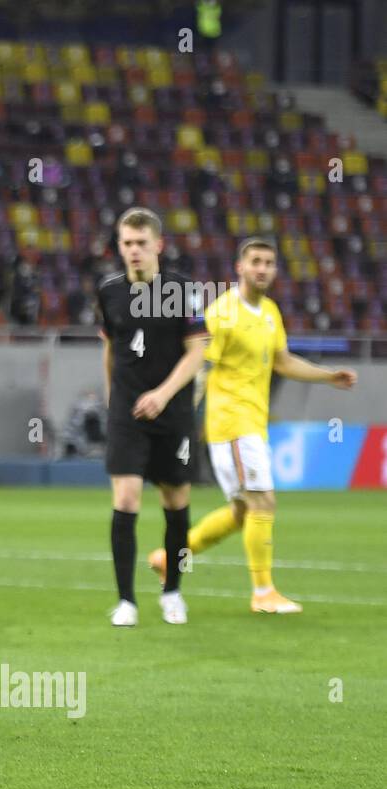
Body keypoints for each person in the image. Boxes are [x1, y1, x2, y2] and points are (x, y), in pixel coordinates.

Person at [149, 238, 357, 612]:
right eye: (255, 261)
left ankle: (171, 557)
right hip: (232, 422)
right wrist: (178, 420)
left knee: (243, 511)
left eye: (269, 262)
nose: (262, 268)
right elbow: (199, 365)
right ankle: (263, 593)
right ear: (239, 267)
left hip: (251, 423)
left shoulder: (270, 312)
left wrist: (328, 377)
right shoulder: (222, 313)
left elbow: (283, 361)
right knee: (263, 500)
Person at [98, 207, 209, 627]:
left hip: (174, 413)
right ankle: (126, 600)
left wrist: (163, 395)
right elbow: (109, 349)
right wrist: (113, 402)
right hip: (127, 415)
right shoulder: (108, 291)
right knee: (125, 499)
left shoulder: (184, 290)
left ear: (158, 245)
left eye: (142, 243)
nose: (134, 251)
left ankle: (172, 591)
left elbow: (198, 351)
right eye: (127, 243)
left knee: (175, 502)